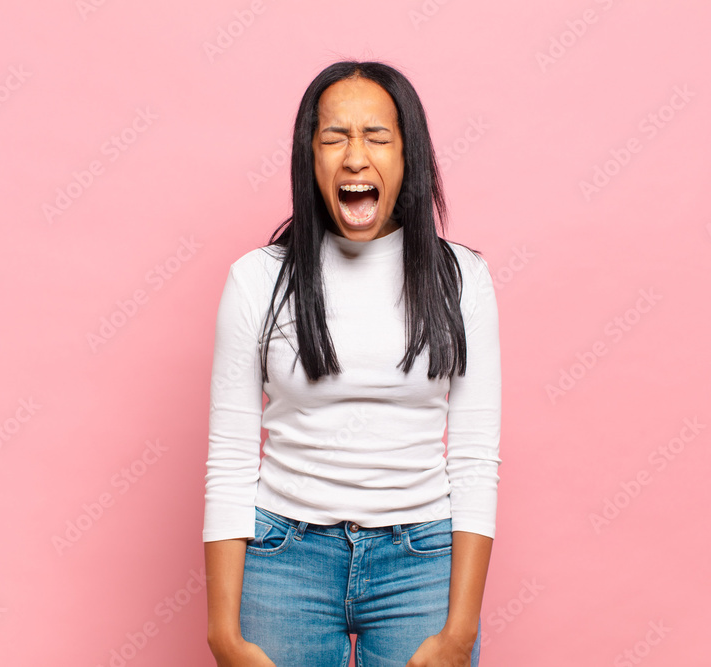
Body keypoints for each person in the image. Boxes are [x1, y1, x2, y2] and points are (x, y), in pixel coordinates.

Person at [203, 60, 501, 667]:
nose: (356, 158)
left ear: (408, 156)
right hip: (284, 557)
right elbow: (229, 460)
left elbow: (475, 460)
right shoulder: (257, 280)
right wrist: (223, 635)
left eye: (377, 138)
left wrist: (460, 632)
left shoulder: (462, 278)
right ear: (309, 156)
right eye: (335, 137)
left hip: (421, 561)